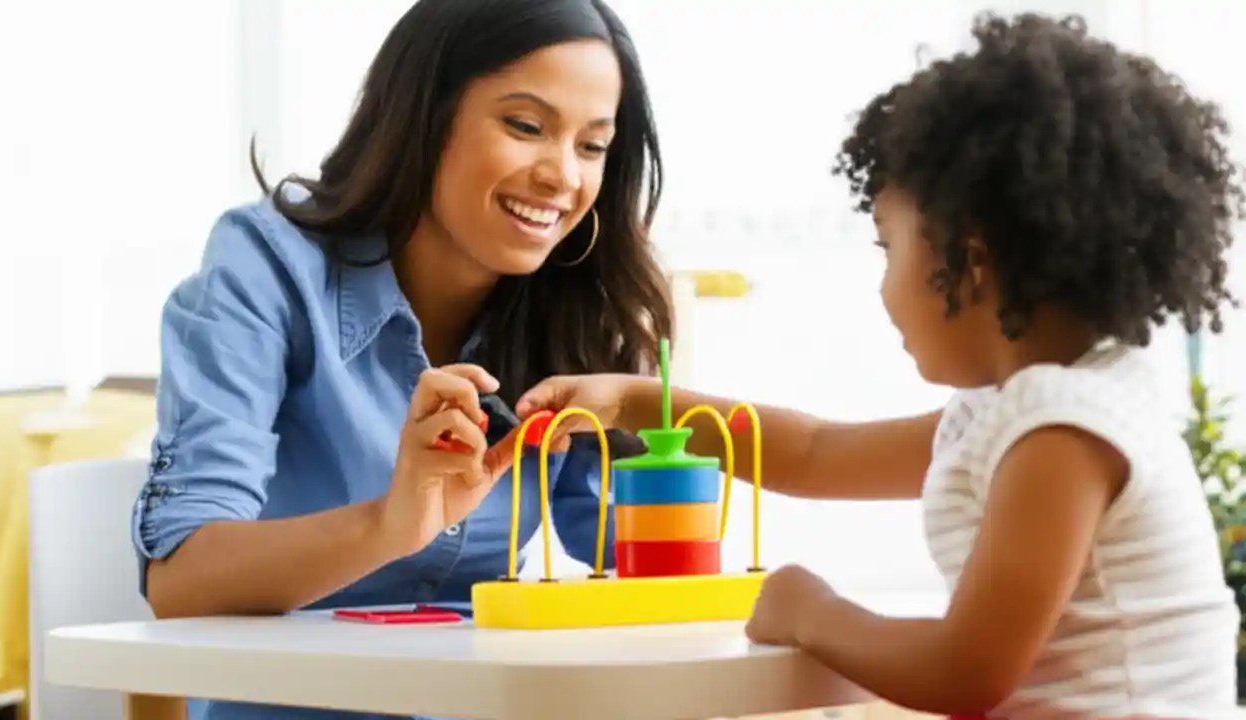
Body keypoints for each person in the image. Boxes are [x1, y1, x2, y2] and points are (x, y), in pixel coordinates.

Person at [516, 12, 1243, 720]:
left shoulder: (1062, 431)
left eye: (888, 248)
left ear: (970, 262)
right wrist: (638, 401)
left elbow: (964, 671)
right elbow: (814, 453)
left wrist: (815, 613)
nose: (883, 286)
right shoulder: (1017, 411)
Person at [130, 1, 668, 718]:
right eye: (525, 126)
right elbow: (180, 578)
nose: (562, 176)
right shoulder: (267, 269)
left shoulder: (571, 308)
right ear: (423, 115)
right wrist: (391, 523)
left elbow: (643, 568)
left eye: (593, 146)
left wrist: (655, 420)